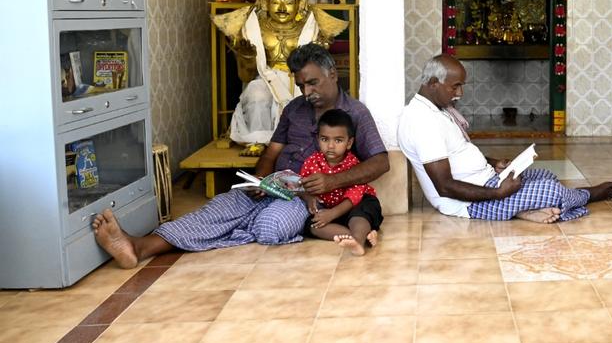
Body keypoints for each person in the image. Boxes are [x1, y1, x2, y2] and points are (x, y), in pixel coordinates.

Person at [92, 44, 390, 267]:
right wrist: (259, 180)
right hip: (273, 188)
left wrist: (330, 181)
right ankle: (140, 247)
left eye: (312, 83)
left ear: (332, 75)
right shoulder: (294, 110)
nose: (306, 91)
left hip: (308, 200)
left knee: (269, 227)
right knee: (219, 208)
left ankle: (215, 231)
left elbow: (380, 161)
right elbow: (271, 152)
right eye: (300, 84)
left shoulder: (355, 113)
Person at [398, 54, 612, 223]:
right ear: (434, 82)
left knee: (546, 175)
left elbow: (455, 151)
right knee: (551, 190)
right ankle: (587, 194)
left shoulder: (436, 109)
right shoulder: (421, 121)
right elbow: (444, 187)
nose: (460, 94)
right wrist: (497, 192)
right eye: (455, 86)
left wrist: (494, 163)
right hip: (467, 203)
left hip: (484, 181)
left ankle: (521, 210)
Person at [212, 0, 348, 153]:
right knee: (256, 93)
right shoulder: (253, 24)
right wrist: (247, 55)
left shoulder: (311, 23)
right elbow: (245, 74)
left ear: (300, 2)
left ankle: (301, 140)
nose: (283, 8)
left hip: (300, 79)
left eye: (289, 2)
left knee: (313, 96)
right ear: (265, 1)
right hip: (266, 77)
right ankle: (257, 140)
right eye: (276, 1)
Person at [299, 108, 384, 256]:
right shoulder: (312, 162)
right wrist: (309, 197)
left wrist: (332, 214)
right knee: (311, 225)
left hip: (355, 205)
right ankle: (356, 238)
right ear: (318, 139)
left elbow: (354, 197)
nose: (331, 146)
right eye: (325, 139)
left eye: (338, 140)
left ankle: (358, 239)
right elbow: (302, 185)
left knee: (361, 212)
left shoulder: (353, 164)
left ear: (349, 142)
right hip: (329, 210)